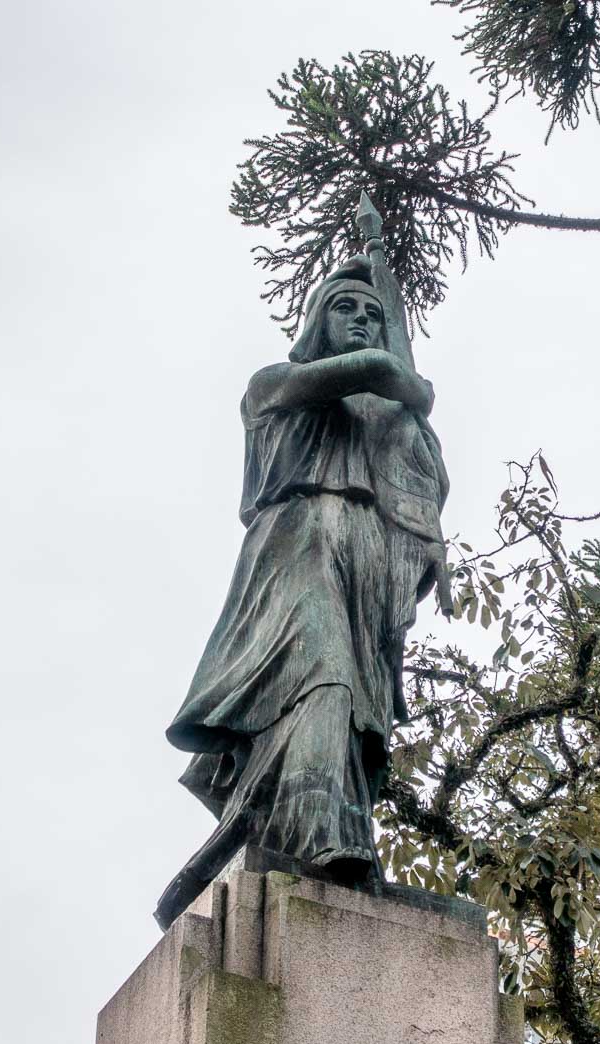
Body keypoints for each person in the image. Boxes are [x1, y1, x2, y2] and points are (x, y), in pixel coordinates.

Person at [153, 257, 449, 928]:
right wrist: (406, 377)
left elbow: (415, 461)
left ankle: (331, 833)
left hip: (362, 552)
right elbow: (383, 374)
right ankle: (321, 835)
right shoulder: (273, 385)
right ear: (317, 320)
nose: (364, 322)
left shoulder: (374, 421)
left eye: (374, 314)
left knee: (358, 713)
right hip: (297, 543)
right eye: (347, 310)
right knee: (325, 674)